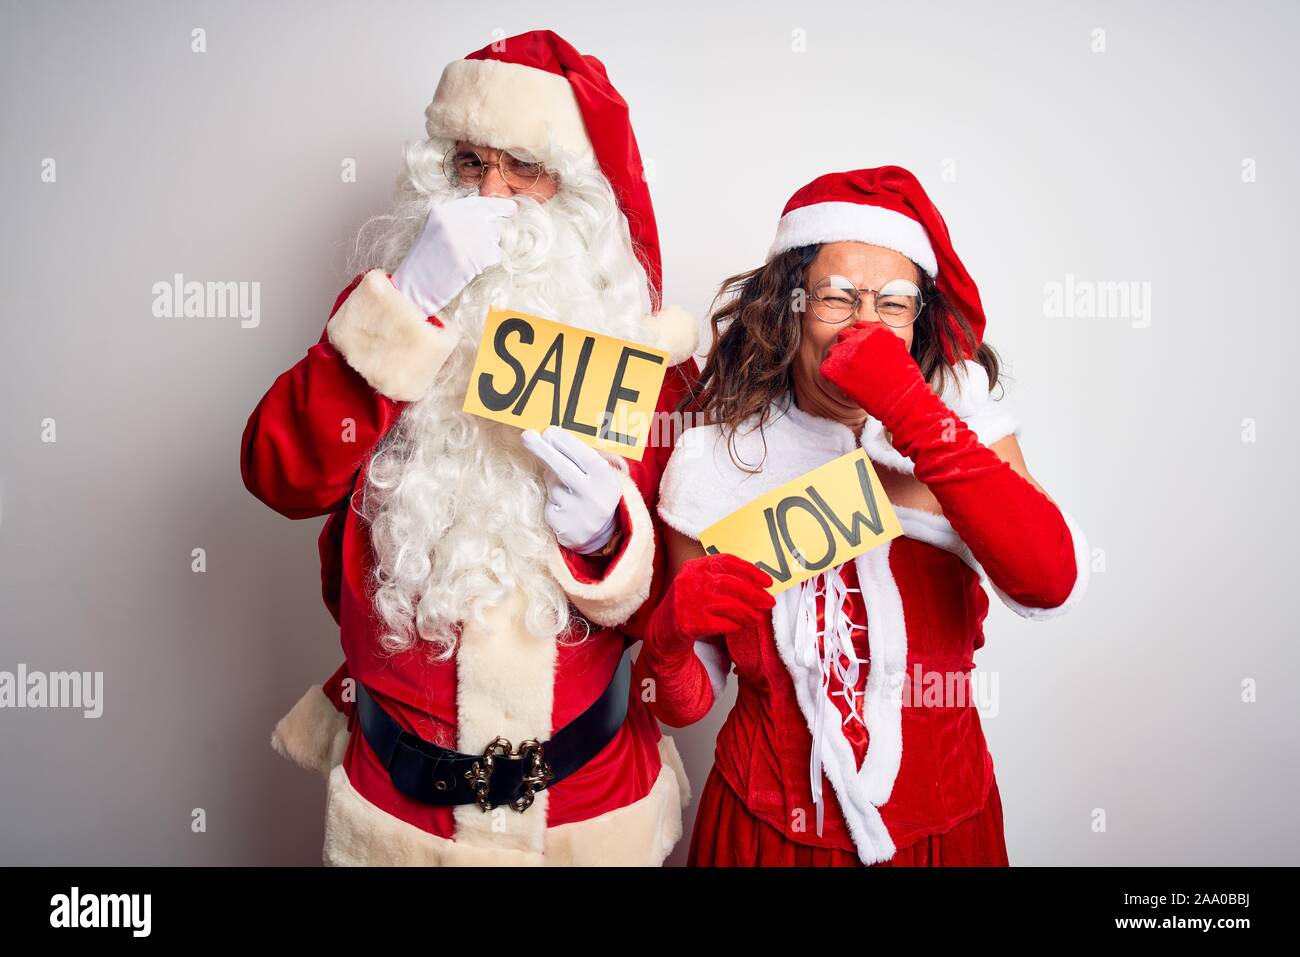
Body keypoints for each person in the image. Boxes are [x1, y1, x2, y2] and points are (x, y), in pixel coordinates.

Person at [241, 30, 699, 866]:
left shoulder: (646, 357)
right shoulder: (381, 310)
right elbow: (279, 473)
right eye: (469, 164)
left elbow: (687, 617)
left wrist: (611, 545)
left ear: (581, 195)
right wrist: (407, 302)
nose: (493, 195)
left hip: (586, 811)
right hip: (399, 814)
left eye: (526, 167)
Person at [636, 166, 1091, 866]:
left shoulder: (961, 422)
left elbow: (1050, 582)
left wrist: (911, 411)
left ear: (920, 317)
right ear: (789, 305)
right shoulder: (711, 461)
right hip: (763, 836)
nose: (866, 323)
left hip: (943, 836)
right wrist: (666, 639)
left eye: (894, 304)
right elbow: (686, 704)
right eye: (838, 297)